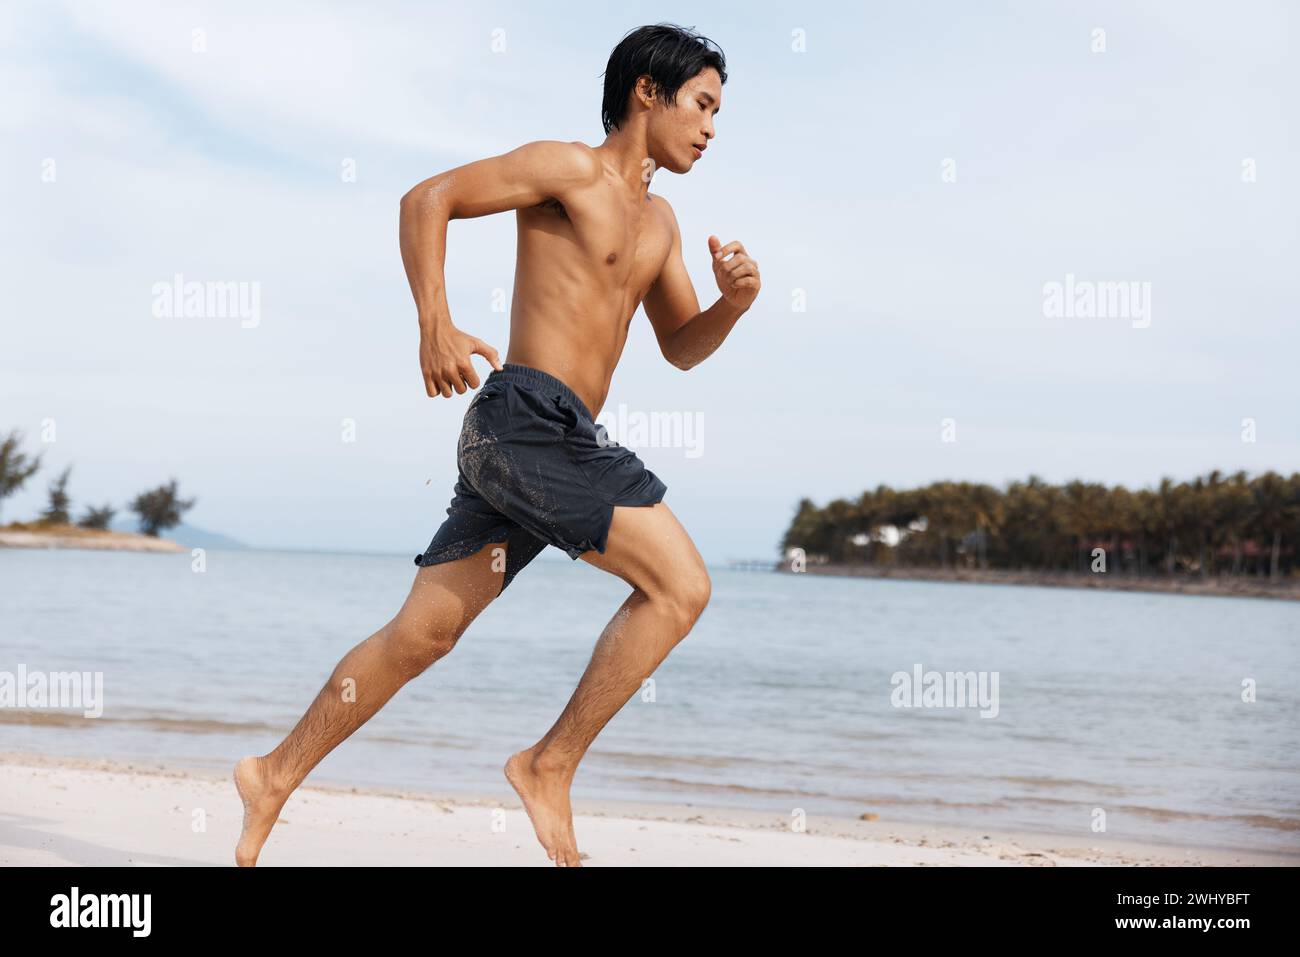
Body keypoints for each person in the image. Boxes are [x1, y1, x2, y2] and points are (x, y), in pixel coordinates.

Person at [235, 22, 760, 868]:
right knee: (681, 586)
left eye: (717, 113)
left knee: (422, 637)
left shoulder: (661, 221)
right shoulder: (569, 170)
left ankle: (272, 772)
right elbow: (426, 199)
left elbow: (679, 346)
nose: (710, 127)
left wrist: (732, 306)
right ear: (647, 93)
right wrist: (433, 321)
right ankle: (548, 764)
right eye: (701, 105)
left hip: (549, 443)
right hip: (522, 418)